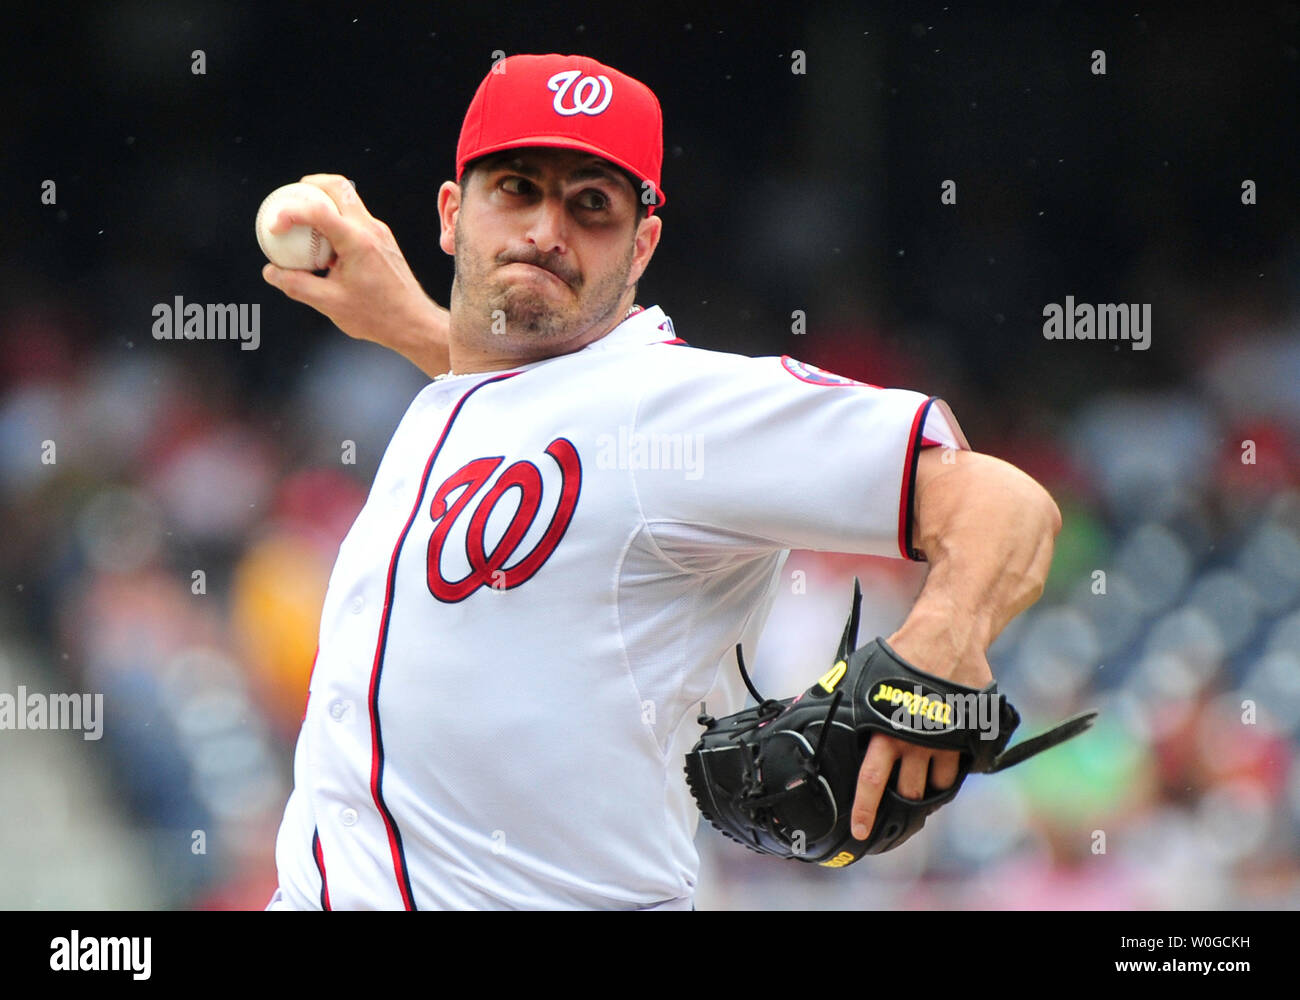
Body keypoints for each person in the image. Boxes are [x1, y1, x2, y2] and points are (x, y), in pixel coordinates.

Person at [260, 53, 1061, 910]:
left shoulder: (680, 410)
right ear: (453, 215)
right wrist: (419, 325)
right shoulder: (473, 396)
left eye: (592, 205)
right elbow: (527, 402)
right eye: (517, 188)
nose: (545, 231)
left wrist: (946, 635)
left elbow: (1003, 502)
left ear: (642, 245)